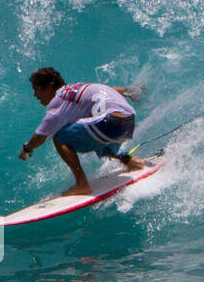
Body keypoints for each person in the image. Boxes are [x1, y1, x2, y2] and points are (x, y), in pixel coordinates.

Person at [17, 67, 147, 196]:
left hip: (110, 122)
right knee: (91, 133)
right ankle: (132, 161)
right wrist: (132, 91)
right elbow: (110, 91)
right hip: (129, 121)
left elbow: (41, 136)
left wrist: (27, 148)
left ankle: (82, 184)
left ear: (49, 87)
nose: (35, 95)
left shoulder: (58, 101)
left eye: (36, 90)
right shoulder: (78, 88)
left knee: (58, 136)